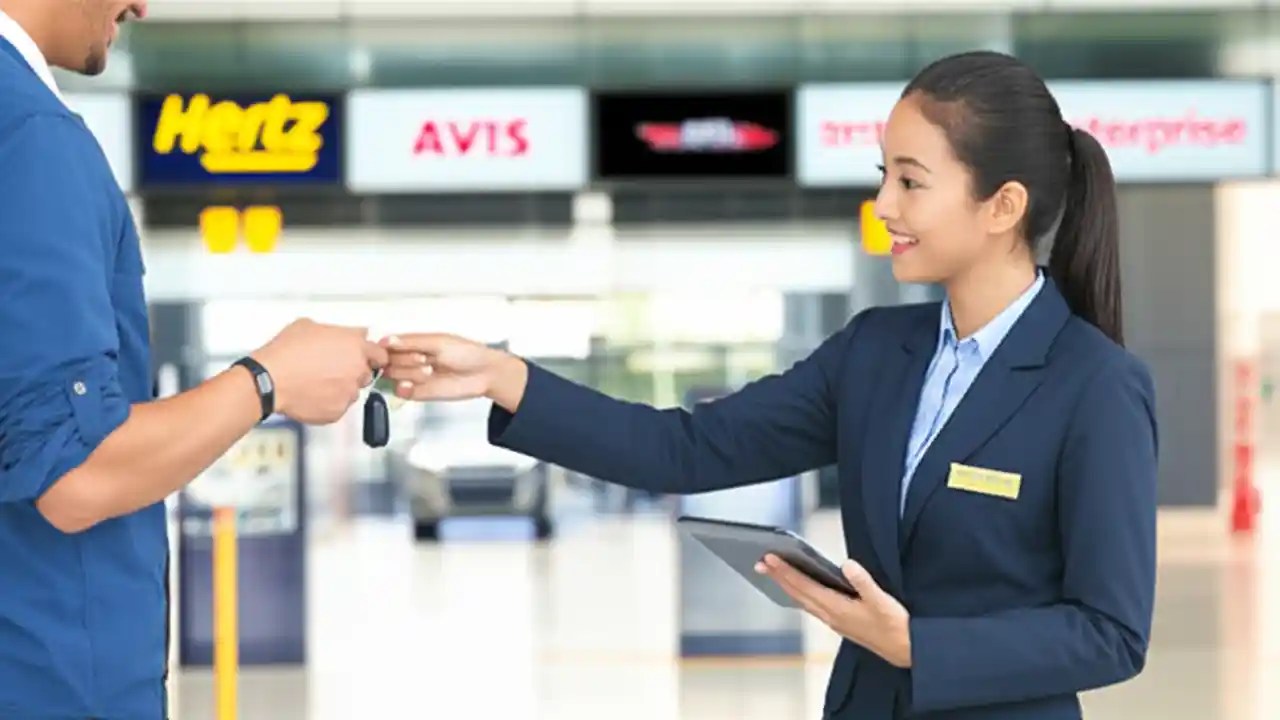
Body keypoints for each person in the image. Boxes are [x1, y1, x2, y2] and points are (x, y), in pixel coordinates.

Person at [382, 49, 1158, 720]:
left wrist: (916, 645)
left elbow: (1110, 633)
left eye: (911, 182)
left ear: (1003, 206)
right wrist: (504, 376)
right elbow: (683, 450)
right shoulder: (876, 352)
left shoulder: (1094, 386)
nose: (884, 205)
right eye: (883, 175)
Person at [0, 2, 387, 717]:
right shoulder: (30, 133)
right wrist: (270, 381)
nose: (139, 4)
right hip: (47, 680)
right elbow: (75, 474)